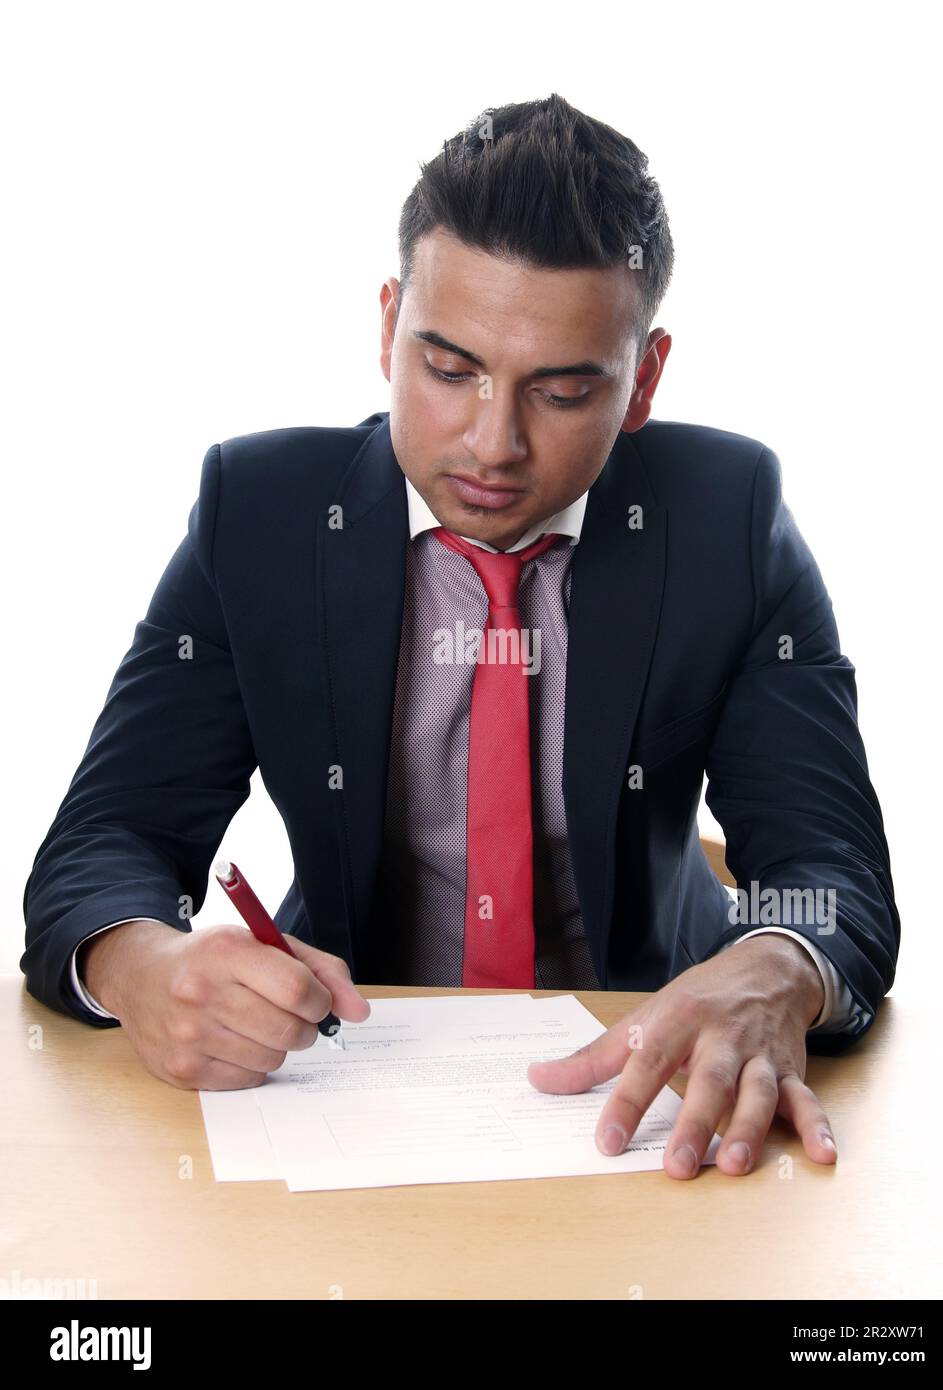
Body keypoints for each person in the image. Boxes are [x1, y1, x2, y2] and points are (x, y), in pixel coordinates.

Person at [22, 93, 898, 1180]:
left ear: (645, 379)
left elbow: (833, 873)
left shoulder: (728, 521)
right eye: (447, 369)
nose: (494, 442)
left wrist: (778, 964)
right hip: (338, 1085)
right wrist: (138, 961)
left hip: (652, 1090)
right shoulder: (261, 512)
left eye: (564, 389)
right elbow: (105, 844)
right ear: (388, 327)